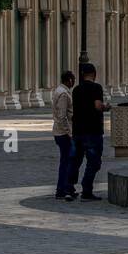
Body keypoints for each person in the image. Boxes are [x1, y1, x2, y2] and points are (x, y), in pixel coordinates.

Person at [68, 63, 109, 201]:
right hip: (93, 130)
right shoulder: (96, 88)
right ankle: (86, 190)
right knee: (94, 162)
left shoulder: (76, 90)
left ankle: (69, 189)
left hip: (78, 130)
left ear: (82, 74)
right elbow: (97, 106)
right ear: (94, 74)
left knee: (75, 161)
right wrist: (106, 107)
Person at [51, 71, 76, 201]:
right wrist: (69, 133)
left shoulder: (59, 90)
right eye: (73, 80)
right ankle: (62, 189)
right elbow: (62, 116)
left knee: (66, 161)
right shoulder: (64, 94)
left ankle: (66, 188)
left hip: (59, 132)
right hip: (63, 133)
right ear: (70, 80)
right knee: (66, 162)